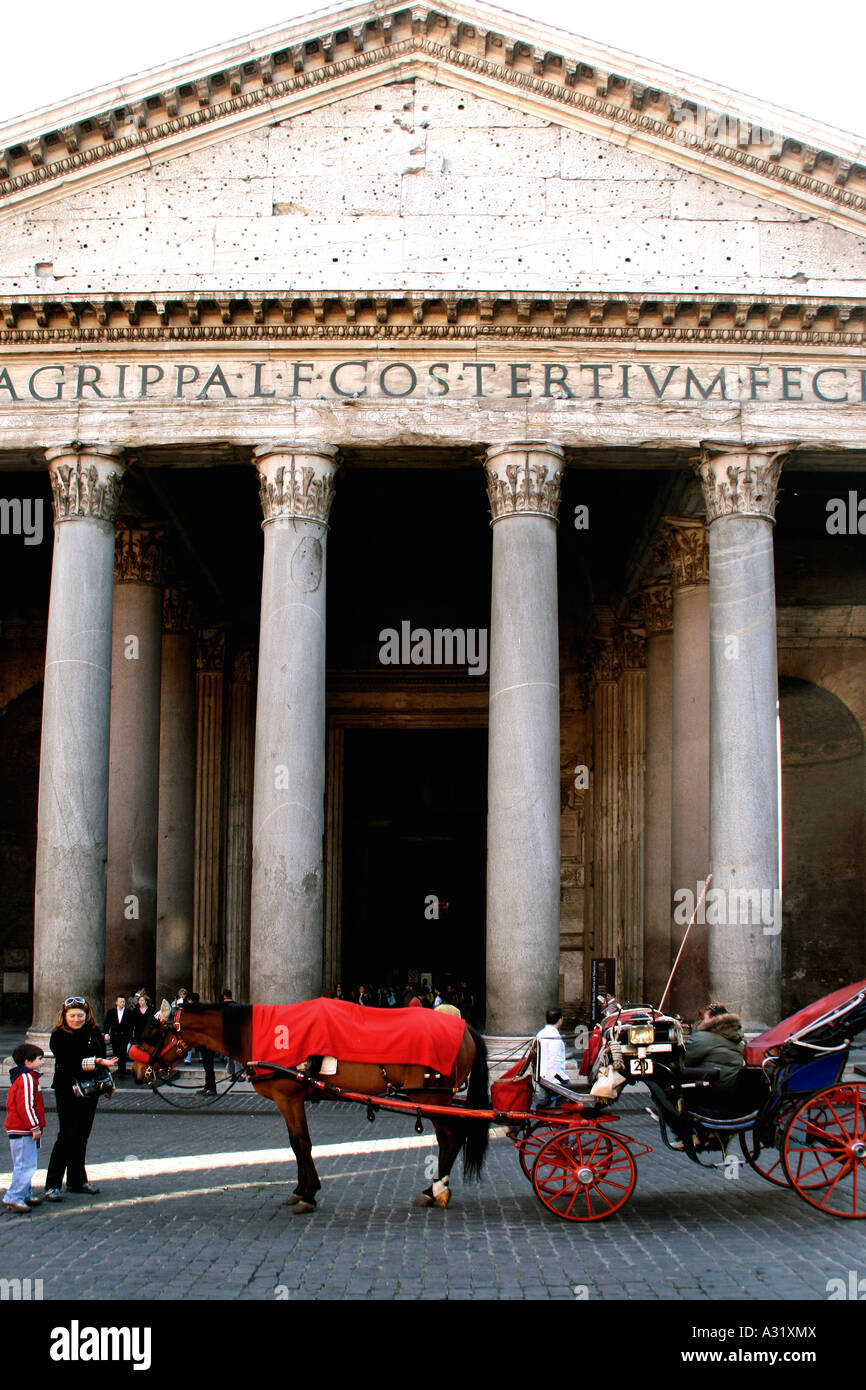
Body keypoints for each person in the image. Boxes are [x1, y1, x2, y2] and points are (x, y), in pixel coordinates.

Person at [44, 997, 116, 1201]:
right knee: (67, 1135)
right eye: (72, 1016)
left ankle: (77, 1180)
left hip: (91, 1089)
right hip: (68, 1088)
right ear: (64, 1017)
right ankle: (52, 1184)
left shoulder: (93, 1032)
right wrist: (96, 1061)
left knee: (82, 1134)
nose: (76, 1019)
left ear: (87, 1016)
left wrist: (108, 1085)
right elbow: (68, 1061)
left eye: (80, 1016)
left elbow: (103, 1061)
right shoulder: (58, 1035)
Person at [4, 1043, 46, 1213]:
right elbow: (26, 1106)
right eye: (39, 1059)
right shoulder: (27, 1079)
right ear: (28, 1062)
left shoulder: (24, 1077)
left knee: (24, 1163)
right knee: (26, 1164)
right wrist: (34, 1126)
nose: (42, 1062)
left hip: (20, 1128)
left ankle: (24, 1193)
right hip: (23, 1129)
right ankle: (14, 1196)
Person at [684, 1004, 746, 1088]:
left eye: (704, 1019)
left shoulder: (704, 1037)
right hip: (726, 1087)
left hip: (705, 1088)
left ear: (712, 1020)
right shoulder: (737, 1038)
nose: (701, 1023)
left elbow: (684, 1060)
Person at [534, 1008, 575, 1109]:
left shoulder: (540, 1034)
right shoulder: (554, 1037)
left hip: (542, 1075)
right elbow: (554, 1060)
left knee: (543, 1103)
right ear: (560, 1020)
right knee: (570, 1095)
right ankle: (562, 1121)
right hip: (551, 1078)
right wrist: (559, 1081)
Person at [103, 994, 134, 1081]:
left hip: (124, 1036)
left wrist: (129, 1037)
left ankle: (122, 1072)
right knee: (117, 1053)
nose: (122, 1003)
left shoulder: (128, 1012)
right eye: (120, 1002)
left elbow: (130, 1026)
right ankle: (120, 1069)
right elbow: (106, 1023)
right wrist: (106, 1033)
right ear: (116, 1002)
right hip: (114, 1036)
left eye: (123, 1002)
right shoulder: (111, 1012)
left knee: (122, 1054)